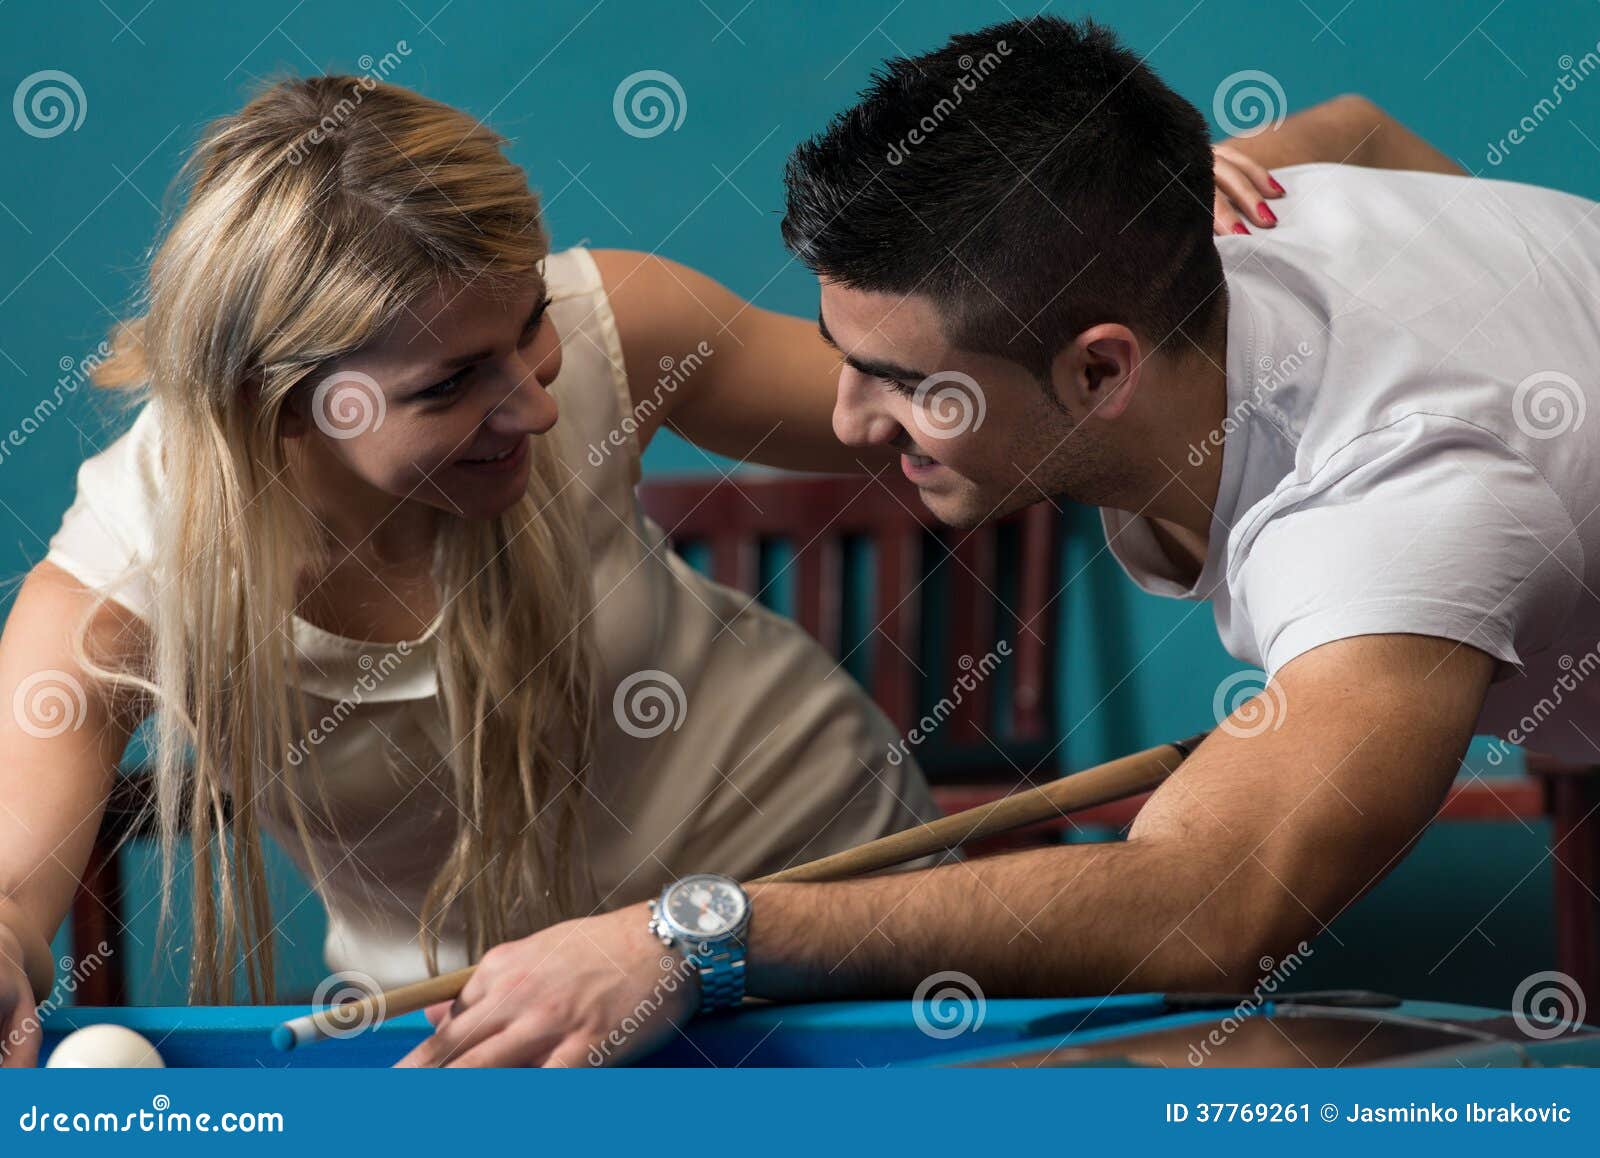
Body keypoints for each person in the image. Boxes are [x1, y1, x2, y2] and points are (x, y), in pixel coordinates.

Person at [0, 67, 1287, 1067]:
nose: (536, 406)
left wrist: (1126, 248)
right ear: (277, 407)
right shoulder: (122, 584)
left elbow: (955, 401)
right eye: (451, 385)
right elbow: (10, 886)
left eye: (526, 333)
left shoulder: (618, 327)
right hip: (504, 1028)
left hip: (842, 912)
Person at [384, 17, 1600, 1067]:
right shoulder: (1199, 224)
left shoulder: (1390, 507)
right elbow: (1360, 128)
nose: (852, 419)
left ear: (1099, 368)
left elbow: (1213, 909)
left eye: (901, 382)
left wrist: (691, 933)